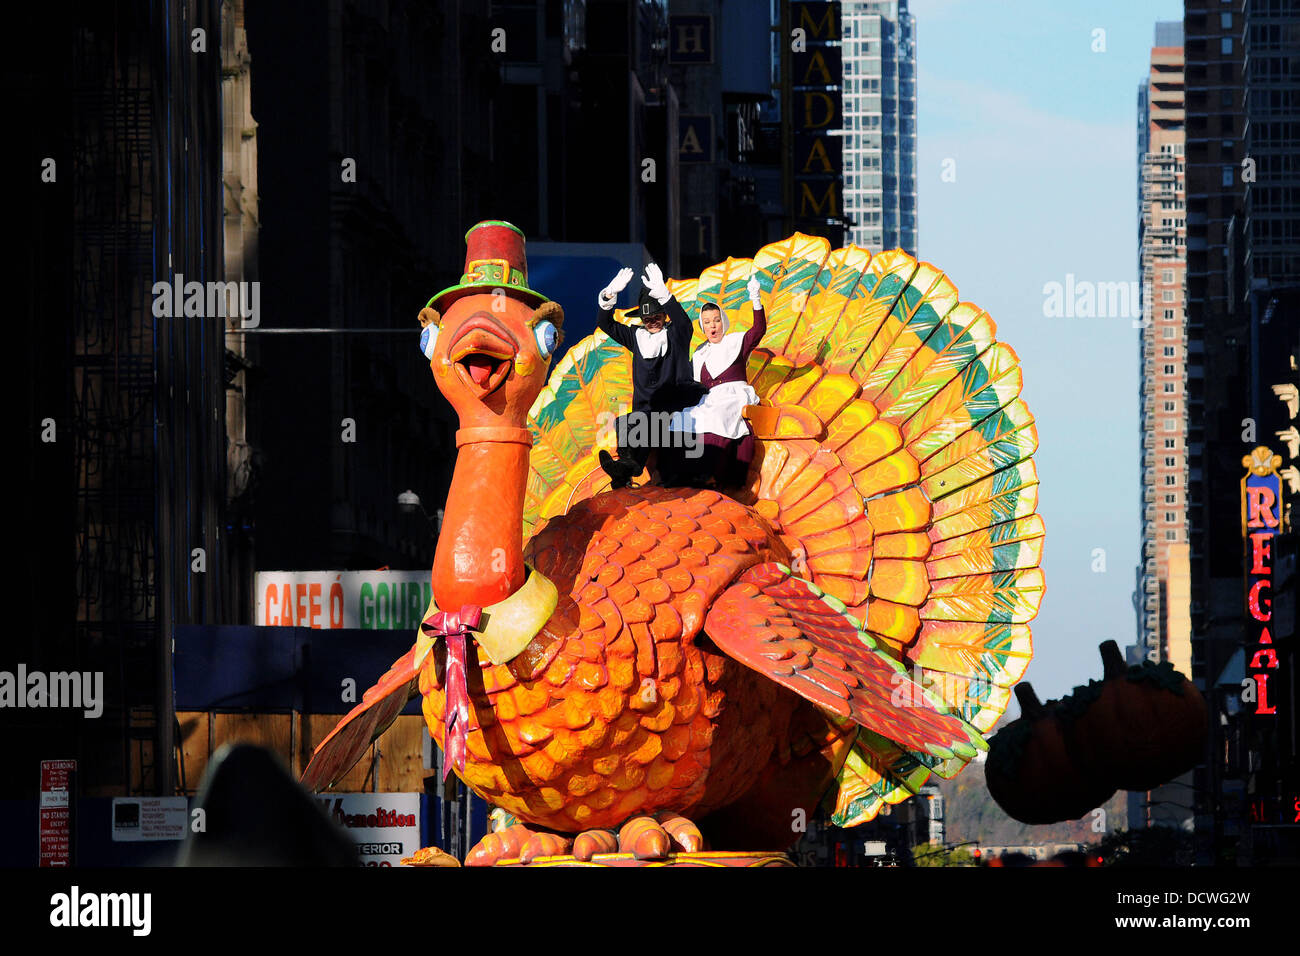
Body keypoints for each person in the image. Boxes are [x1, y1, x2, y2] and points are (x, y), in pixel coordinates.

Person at [594, 264, 703, 488]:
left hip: (674, 406)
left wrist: (665, 295)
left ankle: (626, 468)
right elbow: (605, 323)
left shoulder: (676, 334)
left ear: (664, 315)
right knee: (625, 423)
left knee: (646, 423)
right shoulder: (637, 337)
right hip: (645, 410)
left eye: (656, 317)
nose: (652, 322)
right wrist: (610, 294)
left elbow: (684, 322)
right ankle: (623, 471)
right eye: (647, 319)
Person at [673, 273, 767, 488]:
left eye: (716, 320)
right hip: (708, 398)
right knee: (682, 418)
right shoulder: (699, 352)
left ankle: (709, 474)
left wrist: (755, 298)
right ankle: (682, 473)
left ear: (722, 321)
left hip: (733, 395)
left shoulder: (735, 342)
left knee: (717, 415)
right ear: (703, 327)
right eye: (707, 322)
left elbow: (758, 330)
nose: (712, 326)